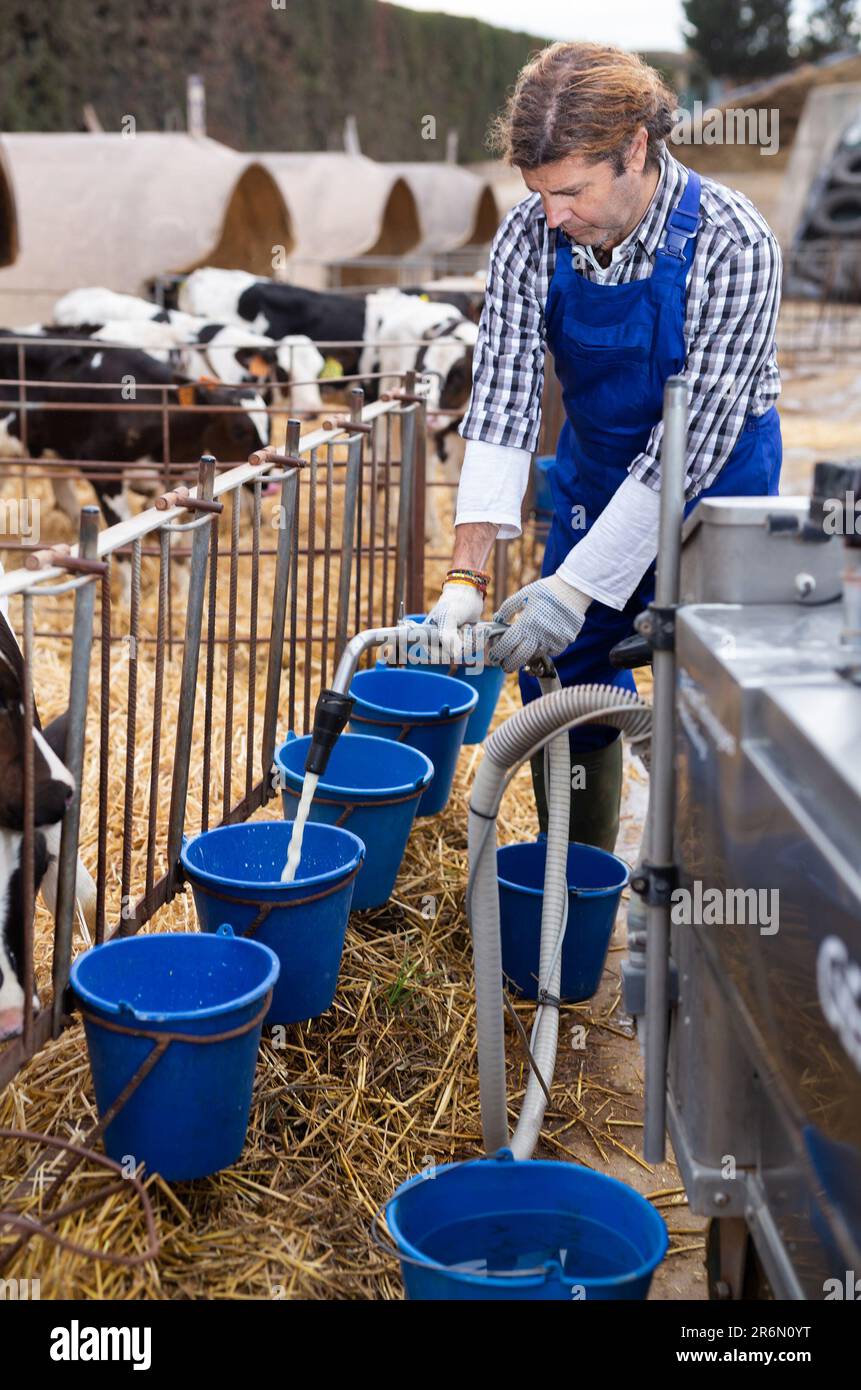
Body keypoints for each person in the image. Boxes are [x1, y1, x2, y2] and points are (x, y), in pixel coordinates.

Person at [427, 41, 782, 852]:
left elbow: (686, 446)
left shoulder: (733, 242)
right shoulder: (529, 237)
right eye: (538, 192)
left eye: (572, 191)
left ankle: (713, 894)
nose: (552, 214)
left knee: (716, 697)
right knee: (563, 680)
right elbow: (503, 400)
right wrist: (464, 574)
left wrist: (573, 586)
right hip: (595, 478)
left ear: (633, 150)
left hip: (718, 486)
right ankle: (574, 889)